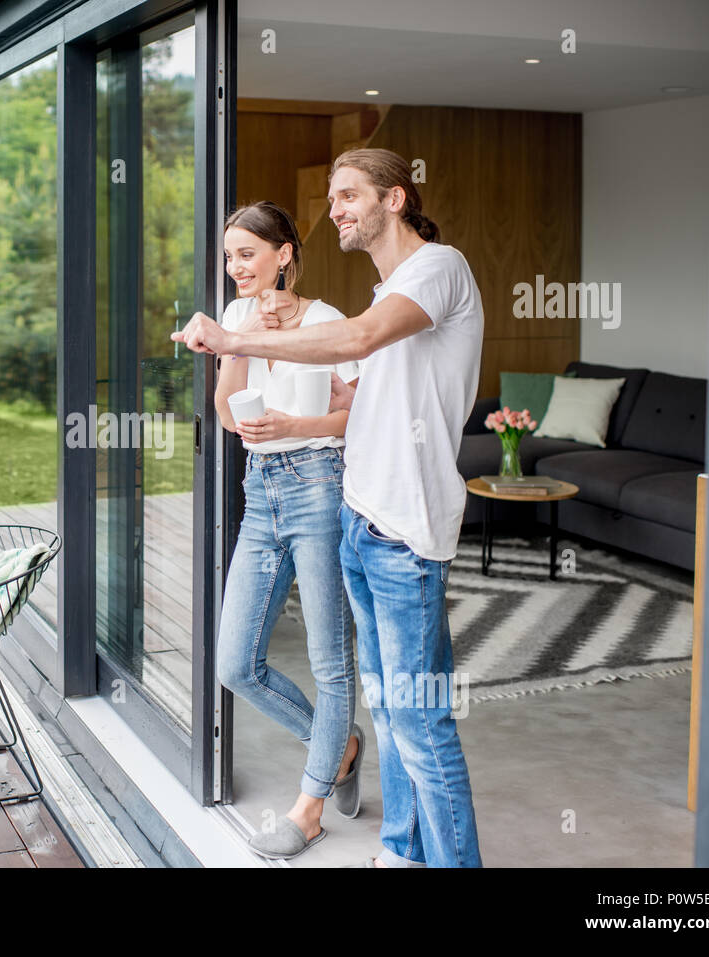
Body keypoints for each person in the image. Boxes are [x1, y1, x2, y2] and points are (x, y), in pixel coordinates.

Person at [173, 149, 484, 868]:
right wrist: (346, 397)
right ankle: (402, 851)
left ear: (395, 199)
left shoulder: (438, 268)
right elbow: (374, 389)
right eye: (332, 196)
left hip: (403, 526)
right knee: (392, 713)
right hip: (360, 518)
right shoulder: (388, 289)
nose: (336, 208)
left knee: (419, 720)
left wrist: (237, 338)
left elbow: (362, 338)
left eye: (348, 195)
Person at [204, 200, 364, 861]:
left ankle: (310, 809)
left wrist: (296, 426)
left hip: (318, 486)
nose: (236, 267)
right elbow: (225, 413)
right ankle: (340, 745)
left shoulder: (327, 322)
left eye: (247, 253)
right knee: (236, 664)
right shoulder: (236, 317)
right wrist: (240, 338)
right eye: (230, 256)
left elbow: (358, 413)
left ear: (284, 254)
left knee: (330, 662)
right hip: (260, 490)